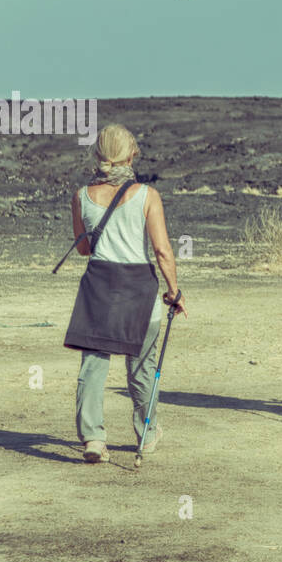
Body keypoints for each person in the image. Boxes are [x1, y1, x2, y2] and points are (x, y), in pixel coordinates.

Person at [64, 125, 186, 463]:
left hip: (99, 288)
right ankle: (146, 435)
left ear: (98, 157)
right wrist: (174, 292)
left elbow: (84, 249)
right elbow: (162, 251)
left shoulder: (81, 196)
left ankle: (92, 438)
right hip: (139, 293)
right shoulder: (148, 196)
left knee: (93, 366)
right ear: (131, 155)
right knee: (142, 369)